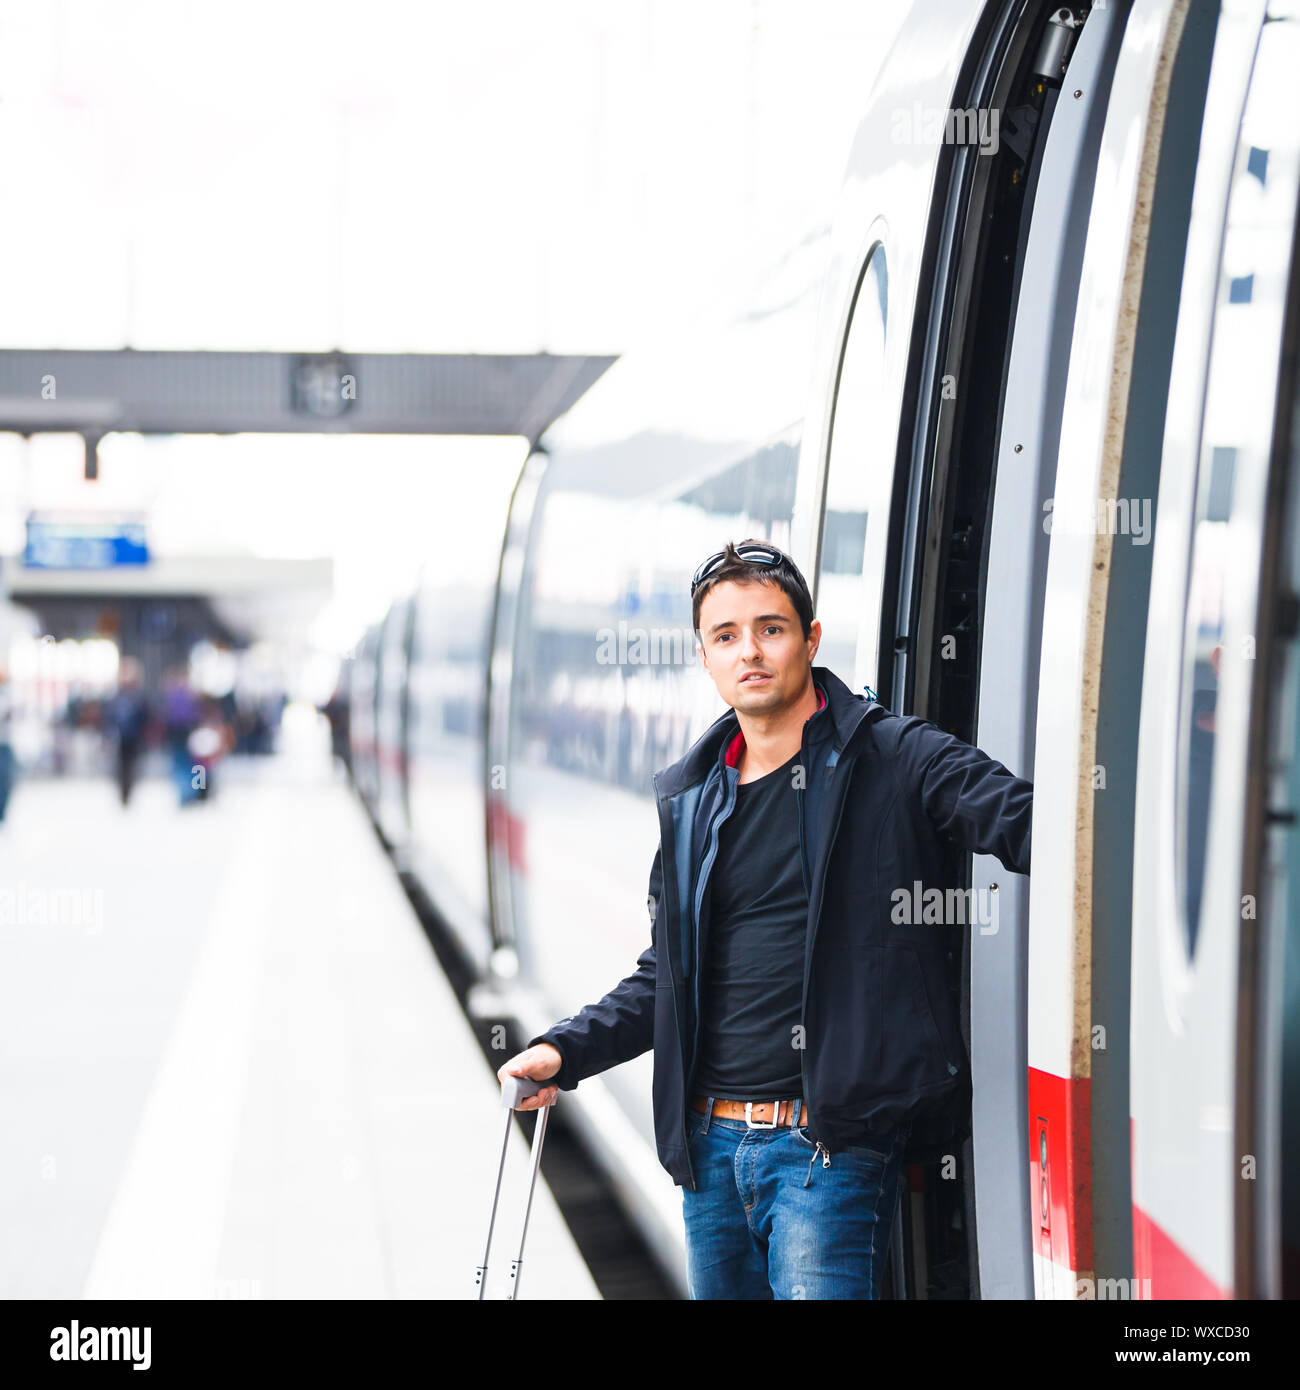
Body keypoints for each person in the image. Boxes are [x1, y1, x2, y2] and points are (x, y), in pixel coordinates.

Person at [497, 539, 1033, 1300]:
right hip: (710, 1154)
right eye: (726, 636)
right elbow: (667, 975)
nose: (749, 650)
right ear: (705, 657)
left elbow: (1029, 824)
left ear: (810, 640)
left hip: (827, 1150)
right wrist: (564, 1051)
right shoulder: (693, 798)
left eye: (771, 628)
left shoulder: (895, 757)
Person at [103, 657, 151, 806]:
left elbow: (146, 716)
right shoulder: (117, 696)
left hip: (134, 737)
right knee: (121, 766)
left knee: (132, 766)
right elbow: (109, 716)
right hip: (120, 738)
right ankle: (123, 792)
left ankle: (128, 790)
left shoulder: (137, 697)